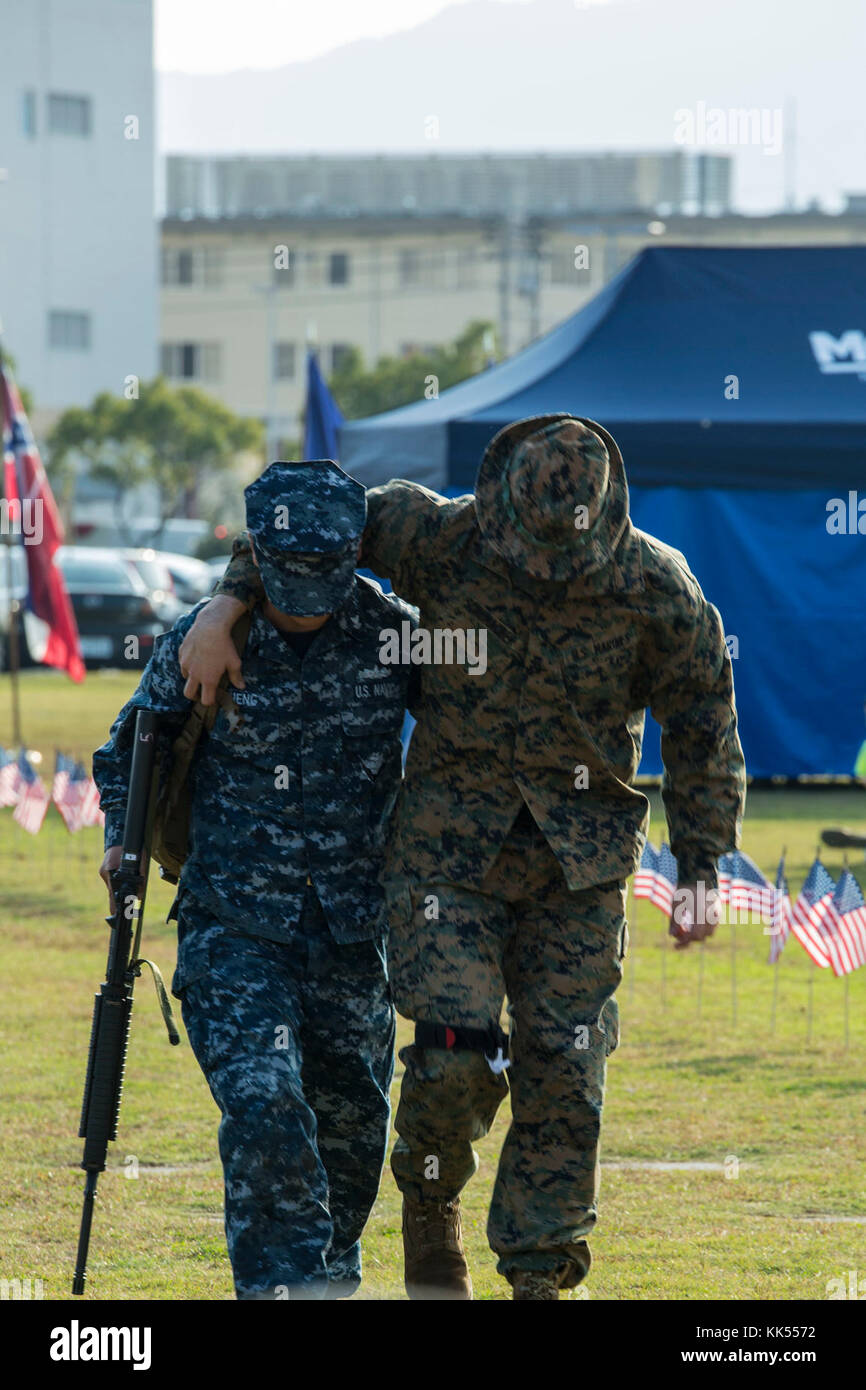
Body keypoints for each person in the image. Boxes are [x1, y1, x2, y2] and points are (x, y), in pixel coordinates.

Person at [178, 415, 747, 1301]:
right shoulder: (440, 533)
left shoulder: (655, 586)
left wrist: (704, 867)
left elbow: (707, 721)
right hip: (450, 856)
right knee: (454, 1052)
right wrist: (229, 600)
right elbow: (310, 522)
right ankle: (431, 1204)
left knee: (566, 1067)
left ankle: (539, 1276)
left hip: (580, 866)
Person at [93, 459, 419, 1300]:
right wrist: (118, 846)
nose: (306, 600)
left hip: (352, 935)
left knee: (352, 1140)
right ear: (258, 562)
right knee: (267, 1109)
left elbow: (483, 700)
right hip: (235, 923)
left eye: (325, 579)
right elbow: (129, 748)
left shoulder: (395, 636)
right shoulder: (207, 638)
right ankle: (285, 1292)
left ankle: (329, 1276)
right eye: (287, 580)